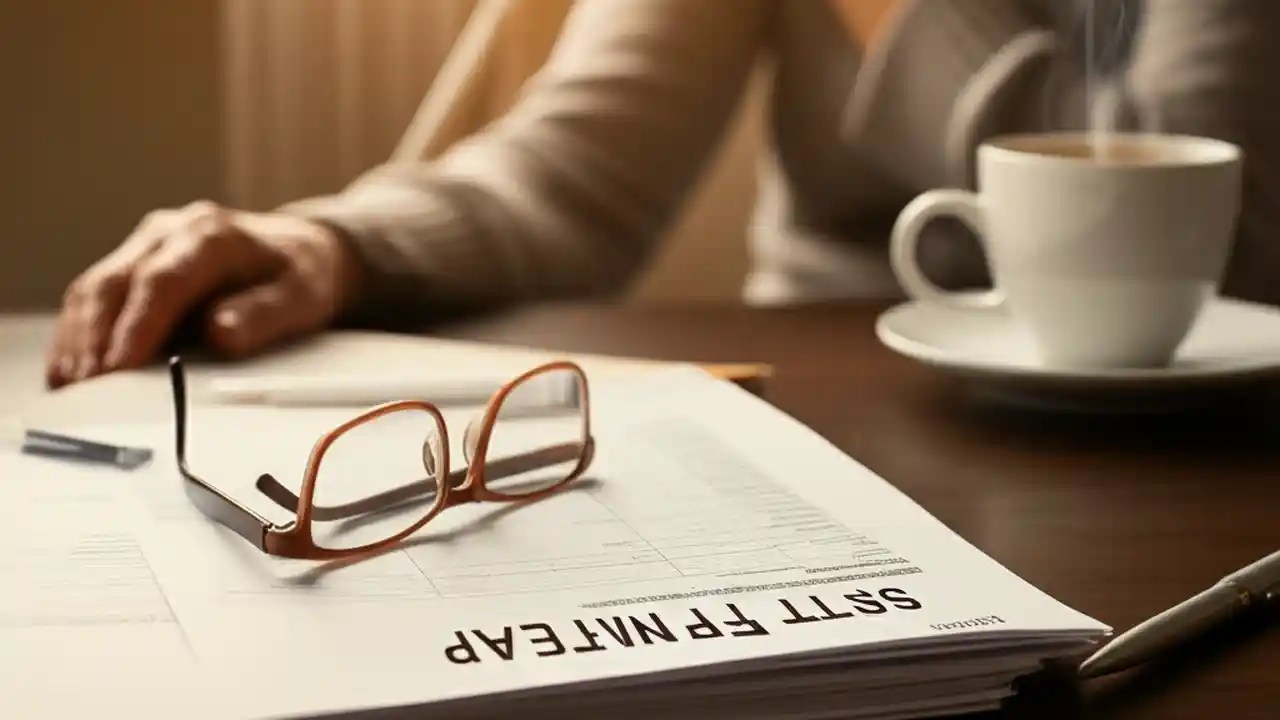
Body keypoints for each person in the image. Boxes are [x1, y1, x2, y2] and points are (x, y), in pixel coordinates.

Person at [46, 0, 1280, 389]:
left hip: (1204, 457)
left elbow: (1204, 214)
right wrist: (329, 243)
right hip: (831, 416)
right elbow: (570, 176)